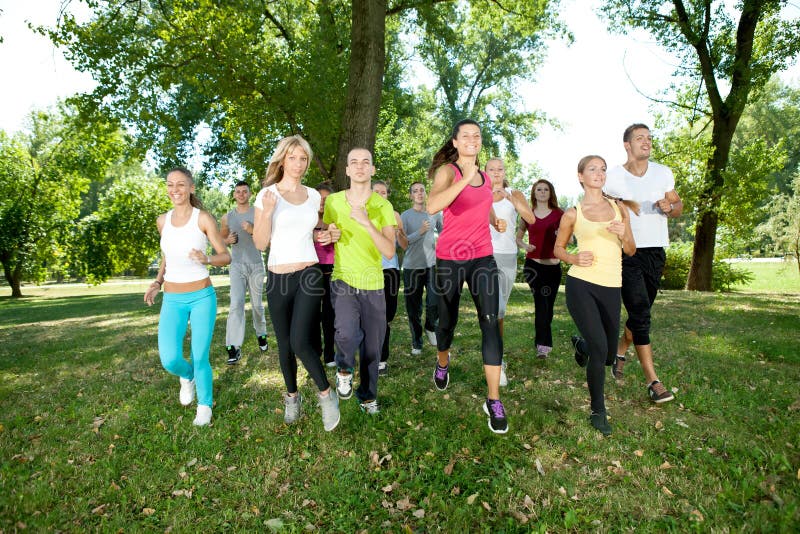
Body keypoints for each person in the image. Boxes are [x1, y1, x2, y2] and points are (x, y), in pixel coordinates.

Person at [252, 135, 340, 432]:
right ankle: (292, 397)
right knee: (286, 345)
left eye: (303, 158)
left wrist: (327, 234)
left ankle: (327, 396)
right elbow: (261, 242)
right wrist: (265, 211)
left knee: (302, 340)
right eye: (293, 158)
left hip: (309, 272)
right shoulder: (267, 194)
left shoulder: (314, 196)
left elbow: (316, 229)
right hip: (278, 275)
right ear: (282, 160)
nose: (299, 164)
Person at [427, 119, 509, 434]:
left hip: (483, 257)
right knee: (446, 323)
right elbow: (434, 204)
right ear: (456, 142)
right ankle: (443, 362)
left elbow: (483, 204)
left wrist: (494, 222)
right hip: (451, 258)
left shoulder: (487, 178)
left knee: (490, 320)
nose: (473, 139)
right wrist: (466, 179)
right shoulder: (449, 172)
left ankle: (493, 399)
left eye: (477, 135)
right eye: (466, 135)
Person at [553, 155, 636, 435]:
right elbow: (558, 249)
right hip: (582, 286)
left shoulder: (619, 208)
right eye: (593, 169)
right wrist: (573, 259)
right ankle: (598, 411)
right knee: (602, 349)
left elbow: (631, 250)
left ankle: (583, 347)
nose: (599, 173)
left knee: (609, 354)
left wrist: (624, 233)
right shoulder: (572, 213)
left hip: (612, 286)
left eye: (602, 169)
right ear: (580, 176)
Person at [144, 167, 231, 427]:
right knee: (169, 359)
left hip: (202, 296)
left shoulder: (202, 218)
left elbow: (225, 255)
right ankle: (187, 377)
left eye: (181, 185)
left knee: (199, 354)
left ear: (191, 188)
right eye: (170, 185)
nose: (175, 190)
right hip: (172, 298)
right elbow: (167, 257)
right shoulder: (162, 221)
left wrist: (207, 259)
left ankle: (204, 405)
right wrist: (157, 282)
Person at [604, 123, 683, 403]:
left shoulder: (663, 173)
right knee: (640, 311)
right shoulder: (611, 177)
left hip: (656, 252)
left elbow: (678, 205)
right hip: (626, 252)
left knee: (641, 312)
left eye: (649, 138)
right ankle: (653, 381)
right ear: (627, 145)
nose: (646, 142)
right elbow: (599, 208)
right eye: (640, 138)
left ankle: (620, 349)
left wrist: (670, 208)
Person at [323, 147, 396, 415]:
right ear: (347, 170)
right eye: (354, 162)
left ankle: (367, 397)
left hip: (374, 282)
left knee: (372, 347)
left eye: (366, 162)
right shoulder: (334, 202)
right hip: (344, 278)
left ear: (372, 169)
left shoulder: (383, 205)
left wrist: (366, 223)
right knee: (345, 331)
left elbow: (389, 250)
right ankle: (344, 368)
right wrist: (328, 234)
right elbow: (329, 231)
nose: (360, 166)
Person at [485, 158, 534, 386]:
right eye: (491, 169)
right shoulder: (478, 193)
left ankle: (498, 357)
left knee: (500, 311)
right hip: (483, 255)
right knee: (491, 310)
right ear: (484, 172)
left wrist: (511, 198)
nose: (496, 173)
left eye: (500, 169)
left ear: (505, 172)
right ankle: (494, 359)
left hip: (506, 256)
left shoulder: (514, 193)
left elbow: (531, 218)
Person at [220, 180, 269, 365]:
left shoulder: (258, 214)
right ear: (234, 195)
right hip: (237, 266)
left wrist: (252, 229)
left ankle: (261, 334)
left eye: (244, 191)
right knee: (236, 304)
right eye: (238, 191)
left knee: (257, 305)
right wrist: (227, 240)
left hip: (256, 264)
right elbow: (219, 239)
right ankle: (233, 347)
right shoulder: (227, 217)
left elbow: (266, 240)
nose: (241, 194)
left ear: (250, 194)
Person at [516, 179, 564, 360]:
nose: (542, 192)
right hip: (533, 266)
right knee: (541, 302)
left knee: (548, 306)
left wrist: (563, 236)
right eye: (539, 189)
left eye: (545, 189)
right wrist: (524, 245)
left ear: (550, 193)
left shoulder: (560, 214)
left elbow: (571, 239)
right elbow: (518, 238)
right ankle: (543, 346)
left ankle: (542, 341)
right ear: (534, 193)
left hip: (553, 267)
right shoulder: (527, 214)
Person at [400, 182, 442, 355]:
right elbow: (401, 243)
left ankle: (430, 327)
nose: (419, 193)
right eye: (415, 191)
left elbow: (445, 232)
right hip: (411, 268)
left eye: (422, 190)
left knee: (435, 302)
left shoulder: (434, 214)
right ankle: (417, 342)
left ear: (426, 194)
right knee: (413, 309)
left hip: (431, 265)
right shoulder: (405, 216)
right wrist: (421, 231)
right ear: (410, 196)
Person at [371, 180, 407, 376]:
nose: (380, 195)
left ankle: (380, 357)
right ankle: (379, 359)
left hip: (390, 271)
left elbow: (404, 245)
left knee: (387, 315)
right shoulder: (363, 215)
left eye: (383, 192)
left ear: (387, 195)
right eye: (376, 191)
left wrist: (400, 232)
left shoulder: (394, 215)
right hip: (368, 271)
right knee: (373, 316)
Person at [312, 182, 337, 368]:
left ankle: (330, 354)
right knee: (312, 314)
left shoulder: (336, 220)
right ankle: (315, 352)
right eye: (319, 198)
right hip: (311, 271)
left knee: (329, 315)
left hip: (331, 271)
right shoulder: (307, 219)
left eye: (326, 199)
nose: (322, 202)